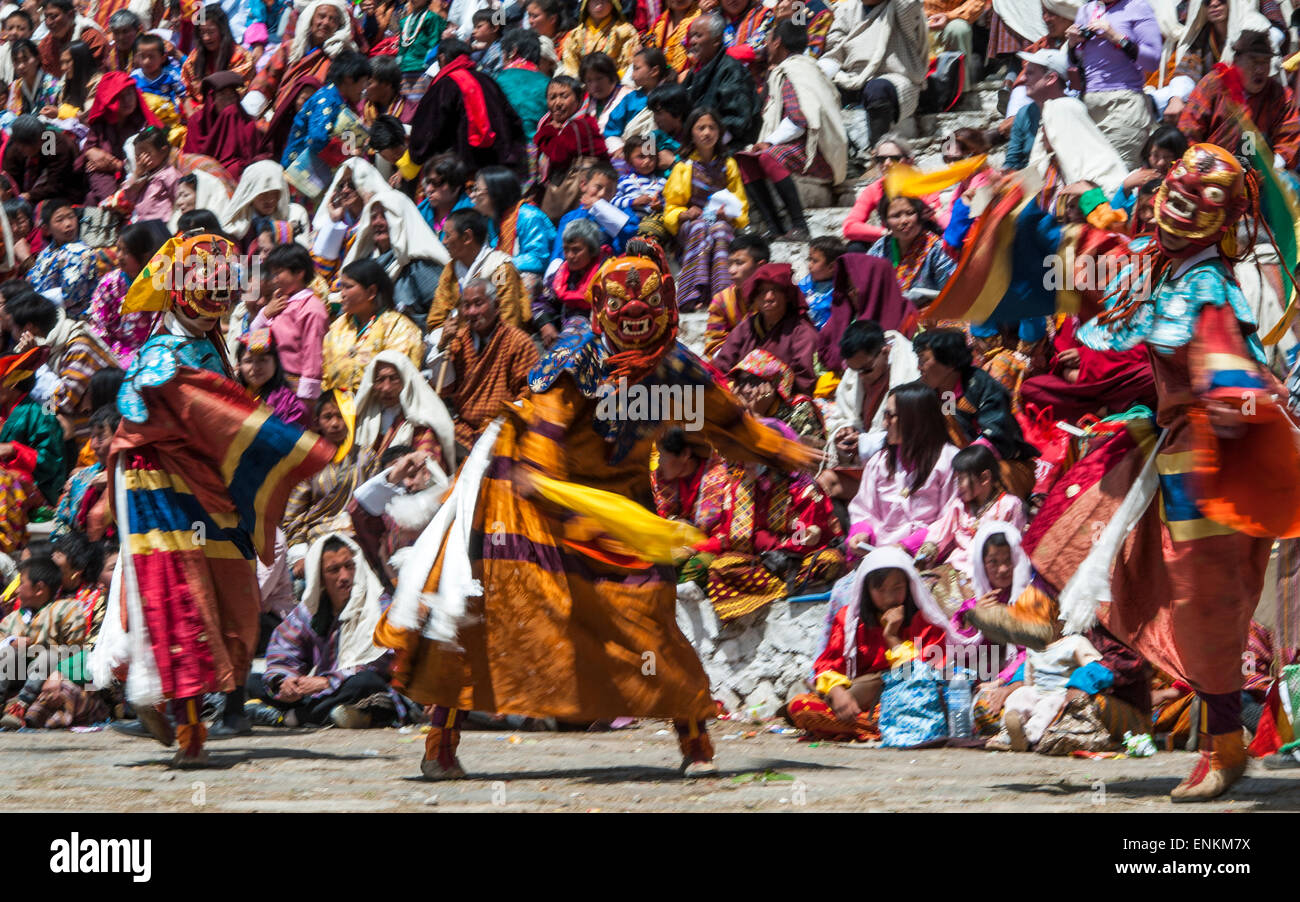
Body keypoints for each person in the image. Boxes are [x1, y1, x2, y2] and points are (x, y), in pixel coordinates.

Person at [374, 244, 820, 780]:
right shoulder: (573, 358)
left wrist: (788, 450)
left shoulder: (677, 369)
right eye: (623, 311)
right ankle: (440, 742)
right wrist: (540, 482)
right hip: (524, 499)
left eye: (647, 310)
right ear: (601, 309)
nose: (635, 323)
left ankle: (695, 741)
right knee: (484, 619)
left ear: (667, 308)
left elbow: (730, 424)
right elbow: (544, 428)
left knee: (648, 616)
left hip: (621, 507)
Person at [93, 232, 334, 765]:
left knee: (229, 594)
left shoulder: (213, 351)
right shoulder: (161, 356)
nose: (217, 310)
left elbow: (227, 423)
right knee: (181, 597)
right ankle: (188, 729)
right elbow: (217, 420)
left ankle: (188, 704)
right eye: (208, 296)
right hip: (158, 492)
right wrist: (294, 451)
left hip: (206, 494)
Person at [786, 546, 953, 741]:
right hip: (860, 704)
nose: (889, 597)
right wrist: (837, 692)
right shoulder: (848, 621)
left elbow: (921, 678)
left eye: (897, 588)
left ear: (908, 586)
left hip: (911, 703)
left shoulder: (925, 621)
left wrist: (892, 637)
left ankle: (869, 726)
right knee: (800, 705)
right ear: (867, 589)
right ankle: (879, 727)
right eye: (880, 589)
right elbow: (827, 665)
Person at [245, 534, 412, 729]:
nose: (345, 577)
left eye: (349, 566)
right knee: (255, 682)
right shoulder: (311, 610)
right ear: (320, 578)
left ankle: (294, 717)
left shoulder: (378, 607)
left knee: (366, 682)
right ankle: (324, 713)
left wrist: (327, 682)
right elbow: (285, 648)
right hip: (319, 691)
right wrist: (287, 681)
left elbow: (380, 662)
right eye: (334, 570)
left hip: (353, 686)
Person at [698, 417, 844, 622]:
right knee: (721, 567)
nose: (745, 462)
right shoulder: (738, 487)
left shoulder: (803, 489)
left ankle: (782, 587)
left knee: (829, 561)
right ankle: (786, 589)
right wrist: (695, 546)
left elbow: (813, 537)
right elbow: (728, 538)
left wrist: (770, 543)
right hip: (759, 563)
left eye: (752, 456)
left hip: (796, 562)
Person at [738, 21, 847, 242]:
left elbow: (799, 119)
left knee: (770, 156)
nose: (766, 46)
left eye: (768, 41)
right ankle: (774, 227)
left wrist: (769, 142)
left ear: (777, 43)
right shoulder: (804, 69)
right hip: (806, 148)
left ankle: (799, 225)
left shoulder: (793, 71)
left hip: (817, 153)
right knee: (744, 160)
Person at [914, 328, 1040, 498]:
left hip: (993, 466)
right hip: (952, 468)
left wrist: (959, 464)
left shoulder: (982, 387)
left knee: (997, 479)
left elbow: (998, 437)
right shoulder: (942, 391)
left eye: (923, 360)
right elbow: (948, 431)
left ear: (950, 363)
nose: (918, 367)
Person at [846, 381, 960, 557]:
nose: (885, 424)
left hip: (928, 557)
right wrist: (861, 533)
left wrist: (908, 545)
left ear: (914, 418)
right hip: (880, 554)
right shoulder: (880, 462)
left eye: (890, 416)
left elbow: (951, 518)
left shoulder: (948, 461)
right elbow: (863, 509)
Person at [435, 277, 540, 455]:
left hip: (502, 431)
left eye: (478, 304)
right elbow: (443, 389)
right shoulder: (459, 341)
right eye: (466, 306)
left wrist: (500, 426)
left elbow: (528, 394)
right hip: (463, 431)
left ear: (496, 305)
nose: (472, 312)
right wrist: (442, 346)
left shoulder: (518, 342)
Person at [1178, 22, 1299, 166]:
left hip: (1261, 175)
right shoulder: (1214, 83)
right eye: (1254, 61)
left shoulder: (1281, 96)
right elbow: (1188, 128)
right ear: (1236, 61)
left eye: (1265, 62)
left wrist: (1276, 165)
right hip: (1209, 168)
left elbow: (1291, 138)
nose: (1260, 70)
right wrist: (1202, 161)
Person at [663, 107, 749, 311]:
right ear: (691, 133)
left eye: (712, 127)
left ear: (719, 132)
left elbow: (740, 204)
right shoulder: (684, 166)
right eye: (701, 128)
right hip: (692, 226)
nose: (707, 133)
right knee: (700, 227)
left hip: (721, 222)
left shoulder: (728, 165)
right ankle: (691, 294)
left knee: (719, 229)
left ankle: (722, 293)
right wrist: (685, 213)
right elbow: (671, 208)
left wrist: (729, 215)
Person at [7, 290, 118, 443]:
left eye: (13, 328)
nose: (12, 334)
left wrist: (36, 364)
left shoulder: (78, 347)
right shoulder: (51, 346)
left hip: (97, 439)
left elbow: (63, 403)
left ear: (29, 329)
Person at [408, 38, 529, 175]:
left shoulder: (444, 85)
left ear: (441, 58)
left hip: (461, 170)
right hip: (498, 165)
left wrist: (417, 155)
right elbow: (512, 119)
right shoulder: (487, 80)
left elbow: (427, 131)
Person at [1064, 0, 1162, 167]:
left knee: (1118, 172)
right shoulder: (1085, 11)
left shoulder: (1137, 7)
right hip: (1088, 105)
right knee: (1091, 174)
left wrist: (1115, 36)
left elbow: (1152, 61)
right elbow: (1072, 64)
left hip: (1124, 103)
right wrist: (1072, 45)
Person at [819, 0, 929, 146]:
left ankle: (878, 151)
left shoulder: (901, 8)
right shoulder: (847, 8)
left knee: (877, 89)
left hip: (894, 76)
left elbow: (911, 3)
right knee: (820, 89)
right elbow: (835, 44)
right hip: (852, 75)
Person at [337, 189, 450, 322]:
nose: (377, 222)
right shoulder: (366, 263)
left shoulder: (420, 266)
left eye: (385, 216)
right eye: (373, 217)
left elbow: (442, 313)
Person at [321, 259, 425, 395]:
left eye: (348, 287)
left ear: (371, 291)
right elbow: (325, 376)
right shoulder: (337, 327)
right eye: (341, 288)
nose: (342, 294)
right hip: (339, 410)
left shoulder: (399, 328)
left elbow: (400, 381)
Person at [712, 262, 818, 395]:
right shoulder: (745, 328)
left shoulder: (802, 332)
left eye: (776, 291)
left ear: (787, 295)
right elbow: (721, 368)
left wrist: (772, 393)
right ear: (754, 297)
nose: (769, 298)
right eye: (762, 292)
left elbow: (805, 382)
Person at [246, 0, 358, 118]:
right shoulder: (291, 48)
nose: (325, 22)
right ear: (311, 19)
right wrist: (253, 105)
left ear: (338, 26)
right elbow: (267, 79)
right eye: (321, 16)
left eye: (332, 19)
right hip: (280, 116)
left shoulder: (338, 58)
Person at [353, 351, 456, 475]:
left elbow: (426, 473)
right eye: (380, 380)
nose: (386, 388)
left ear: (405, 380)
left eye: (393, 379)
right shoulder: (363, 420)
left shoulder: (421, 424)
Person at [284, 390, 360, 556]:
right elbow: (293, 516)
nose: (335, 423)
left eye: (341, 416)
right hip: (318, 544)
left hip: (359, 541)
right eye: (328, 417)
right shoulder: (308, 462)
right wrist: (298, 554)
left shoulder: (367, 458)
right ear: (317, 423)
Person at [427, 207, 527, 332]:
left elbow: (509, 320)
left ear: (467, 237)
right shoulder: (451, 270)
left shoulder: (500, 270)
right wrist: (445, 332)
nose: (444, 241)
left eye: (447, 236)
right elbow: (436, 320)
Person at [251, 243, 330, 401]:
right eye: (273, 274)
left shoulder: (311, 308)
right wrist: (265, 314)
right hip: (270, 386)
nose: (274, 280)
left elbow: (313, 356)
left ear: (299, 272)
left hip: (293, 391)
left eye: (278, 273)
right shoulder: (278, 304)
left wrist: (306, 399)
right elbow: (256, 343)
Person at [842, 135, 945, 248]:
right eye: (881, 160)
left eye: (894, 159)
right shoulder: (874, 189)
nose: (887, 164)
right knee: (856, 246)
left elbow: (933, 215)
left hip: (921, 238)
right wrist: (886, 233)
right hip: (891, 240)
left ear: (909, 161)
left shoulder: (925, 185)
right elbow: (849, 226)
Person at [79, 70, 163, 206]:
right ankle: (115, 204)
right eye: (120, 96)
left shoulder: (143, 123)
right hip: (105, 176)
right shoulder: (101, 122)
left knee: (94, 198)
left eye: (130, 94)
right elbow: (89, 149)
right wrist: (91, 152)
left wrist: (116, 165)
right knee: (92, 185)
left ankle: (116, 205)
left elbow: (149, 160)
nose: (127, 101)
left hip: (139, 176)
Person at [471, 165, 556, 297]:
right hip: (502, 274)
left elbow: (538, 259)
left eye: (476, 189)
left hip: (535, 281)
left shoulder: (528, 216)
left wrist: (497, 265)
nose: (472, 195)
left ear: (495, 193)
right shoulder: (490, 220)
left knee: (529, 281)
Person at [533, 75, 610, 221]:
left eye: (564, 96)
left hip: (581, 198)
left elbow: (558, 156)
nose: (558, 103)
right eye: (552, 97)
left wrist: (544, 133)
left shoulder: (579, 126)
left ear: (579, 99)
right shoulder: (552, 123)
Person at [280, 49, 372, 169]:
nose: (365, 89)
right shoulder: (327, 99)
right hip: (297, 173)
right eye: (364, 82)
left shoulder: (341, 101)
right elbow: (317, 138)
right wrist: (348, 155)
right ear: (349, 78)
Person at [680, 13, 761, 148]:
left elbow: (737, 121)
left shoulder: (731, 70)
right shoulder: (695, 72)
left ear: (716, 40)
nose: (692, 41)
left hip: (725, 147)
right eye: (691, 36)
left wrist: (706, 149)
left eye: (698, 36)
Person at [0, 346, 65, 503]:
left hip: (28, 495)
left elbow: (52, 462)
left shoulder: (42, 413)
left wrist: (14, 450)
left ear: (13, 382)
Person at [181, 70, 269, 182]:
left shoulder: (247, 123)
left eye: (232, 95)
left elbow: (254, 157)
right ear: (211, 100)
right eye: (222, 95)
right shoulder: (197, 122)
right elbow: (191, 159)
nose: (229, 101)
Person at [868, 195, 956, 306]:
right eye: (895, 216)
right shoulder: (881, 247)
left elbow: (952, 293)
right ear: (885, 221)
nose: (904, 221)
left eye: (910, 213)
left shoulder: (936, 249)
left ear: (919, 215)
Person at [535, 218, 611, 341]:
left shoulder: (607, 274)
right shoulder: (561, 274)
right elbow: (542, 302)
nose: (570, 256)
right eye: (566, 249)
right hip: (563, 333)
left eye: (576, 250)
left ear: (592, 250)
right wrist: (545, 325)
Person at [24, 199, 101, 318]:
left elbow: (69, 297)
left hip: (73, 319)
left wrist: (35, 302)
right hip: (45, 314)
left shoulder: (83, 254)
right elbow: (33, 281)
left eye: (71, 216)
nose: (68, 224)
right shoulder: (45, 253)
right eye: (60, 220)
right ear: (46, 229)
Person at [52, 403, 116, 541]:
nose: (93, 445)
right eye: (92, 437)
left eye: (100, 437)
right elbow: (61, 525)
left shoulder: (137, 477)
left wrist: (115, 479)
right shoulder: (82, 478)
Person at [220, 160, 313, 247]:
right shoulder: (238, 222)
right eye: (262, 194)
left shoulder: (295, 214)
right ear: (250, 194)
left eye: (275, 193)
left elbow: (300, 255)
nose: (270, 199)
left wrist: (283, 231)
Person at [179, 5, 252, 115]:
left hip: (226, 113)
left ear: (222, 30)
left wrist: (206, 109)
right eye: (202, 33)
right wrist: (191, 110)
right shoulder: (194, 58)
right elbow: (186, 91)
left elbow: (237, 93)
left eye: (211, 32)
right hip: (196, 113)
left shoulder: (240, 57)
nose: (206, 38)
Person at [703, 233, 768, 357]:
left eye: (739, 263)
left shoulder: (775, 298)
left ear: (760, 266)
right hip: (733, 365)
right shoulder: (721, 300)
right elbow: (713, 343)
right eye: (730, 263)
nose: (731, 270)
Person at [236, 329, 309, 428]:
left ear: (276, 363)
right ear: (239, 366)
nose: (256, 367)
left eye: (263, 360)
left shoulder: (292, 405)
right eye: (248, 361)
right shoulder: (232, 396)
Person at [494, 28, 552, 140]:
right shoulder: (548, 83)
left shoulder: (498, 82)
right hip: (541, 149)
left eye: (503, 53)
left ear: (513, 52)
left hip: (509, 149)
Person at [562, 0, 640, 76]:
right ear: (586, 4)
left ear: (613, 3)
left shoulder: (625, 32)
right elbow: (571, 67)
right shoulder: (575, 35)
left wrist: (612, 81)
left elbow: (627, 64)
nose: (599, 2)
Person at [925, 0, 990, 85]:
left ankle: (960, 90)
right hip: (916, 19)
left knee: (958, 29)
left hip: (954, 19)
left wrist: (948, 16)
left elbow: (977, 2)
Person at [38, 0, 107, 78]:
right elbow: (47, 79)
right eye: (46, 17)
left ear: (70, 14)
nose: (48, 22)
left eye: (53, 17)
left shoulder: (91, 38)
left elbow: (96, 76)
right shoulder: (46, 44)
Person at [395, 0, 446, 103]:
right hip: (405, 67)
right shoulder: (404, 21)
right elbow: (402, 46)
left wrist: (428, 62)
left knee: (420, 102)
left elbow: (434, 41)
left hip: (422, 67)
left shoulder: (431, 18)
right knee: (406, 103)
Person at [4, 38, 59, 121]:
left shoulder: (53, 85)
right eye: (16, 61)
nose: (21, 66)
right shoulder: (14, 87)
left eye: (25, 59)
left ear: (37, 59)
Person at [800, 236, 847, 329]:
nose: (810, 265)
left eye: (815, 261)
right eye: (810, 259)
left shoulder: (840, 291)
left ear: (831, 267)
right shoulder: (806, 283)